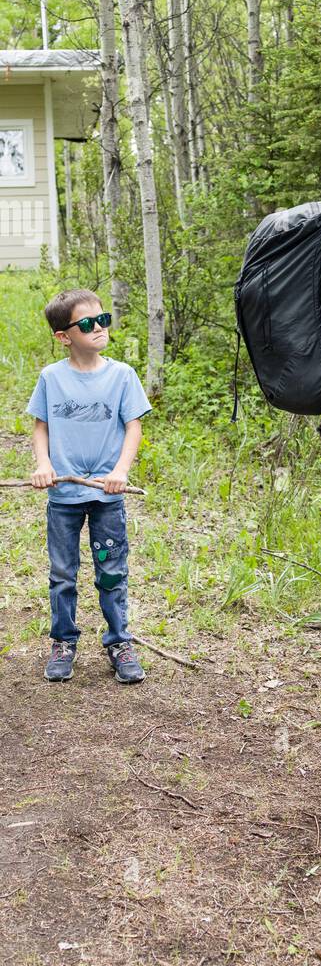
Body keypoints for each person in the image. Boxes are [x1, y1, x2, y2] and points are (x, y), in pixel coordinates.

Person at [27, 289, 151, 684]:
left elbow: (134, 425)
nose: (98, 328)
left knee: (111, 570)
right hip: (63, 496)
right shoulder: (51, 377)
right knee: (63, 573)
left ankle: (119, 641)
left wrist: (121, 471)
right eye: (86, 323)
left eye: (103, 319)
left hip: (106, 495)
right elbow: (41, 426)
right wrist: (44, 464)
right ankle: (63, 641)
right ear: (64, 336)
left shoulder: (121, 376)